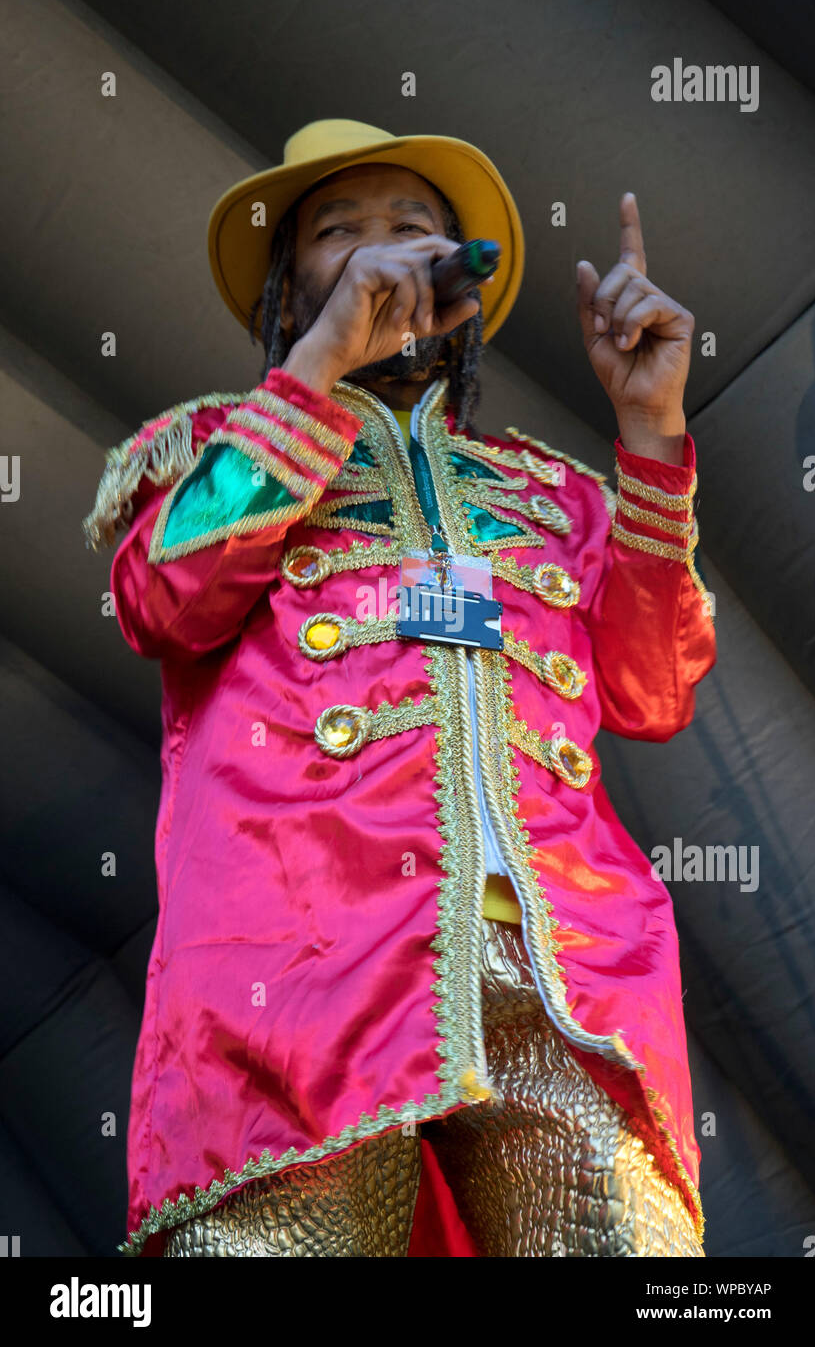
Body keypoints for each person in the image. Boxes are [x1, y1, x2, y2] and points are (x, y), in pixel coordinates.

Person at [83, 118, 716, 1258]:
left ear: (458, 276)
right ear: (291, 287)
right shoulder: (211, 453)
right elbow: (162, 603)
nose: (381, 251)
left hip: (560, 969)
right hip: (303, 973)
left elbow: (654, 685)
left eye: (412, 229)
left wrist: (648, 424)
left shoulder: (552, 492)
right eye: (339, 232)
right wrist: (316, 372)